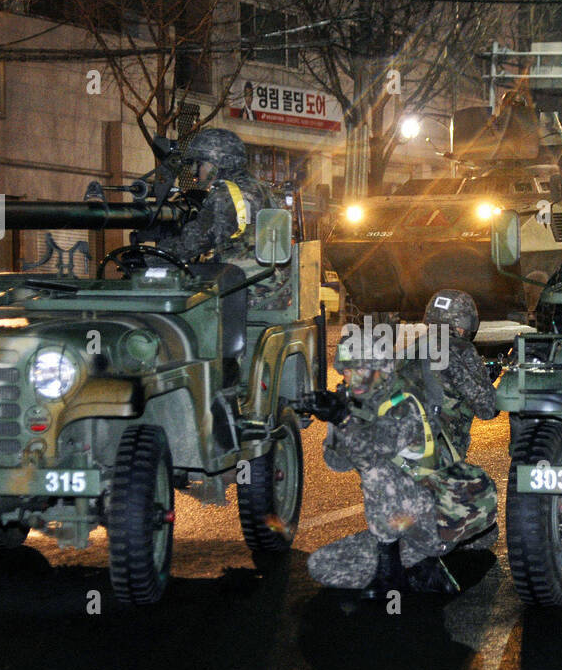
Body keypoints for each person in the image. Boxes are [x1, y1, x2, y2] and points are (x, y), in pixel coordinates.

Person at [305, 343, 479, 597]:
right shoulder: (363, 407)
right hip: (399, 526)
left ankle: (396, 574)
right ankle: (416, 566)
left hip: (436, 520)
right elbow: (337, 463)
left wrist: (343, 419)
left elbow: (371, 454)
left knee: (377, 472)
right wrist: (335, 422)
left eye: (359, 370)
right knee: (320, 565)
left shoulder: (403, 404)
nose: (351, 378)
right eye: (347, 372)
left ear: (381, 372)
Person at [159, 127, 290, 307]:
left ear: (214, 164)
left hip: (246, 293)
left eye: (198, 164)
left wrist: (153, 255)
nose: (194, 173)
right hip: (274, 290)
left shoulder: (226, 195)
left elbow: (192, 243)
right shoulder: (262, 189)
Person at [414, 289, 498, 459]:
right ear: (463, 323)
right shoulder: (460, 349)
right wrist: (488, 382)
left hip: (403, 453)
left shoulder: (411, 349)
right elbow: (487, 408)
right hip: (439, 457)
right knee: (483, 485)